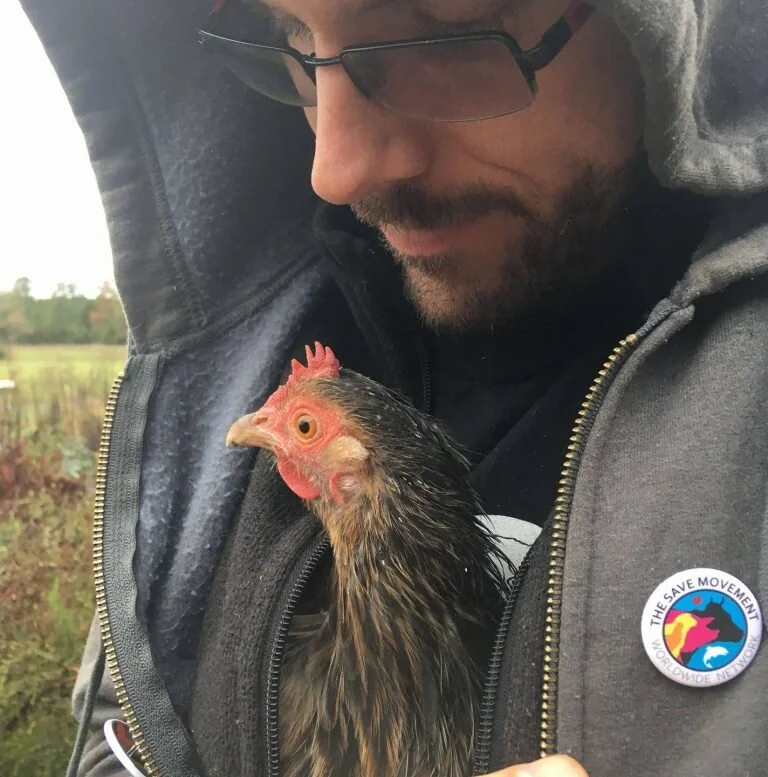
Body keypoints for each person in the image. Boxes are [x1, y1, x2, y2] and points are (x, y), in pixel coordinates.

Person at [22, 0, 764, 773]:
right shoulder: (232, 363)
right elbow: (118, 740)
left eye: (443, 34)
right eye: (295, 44)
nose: (334, 171)